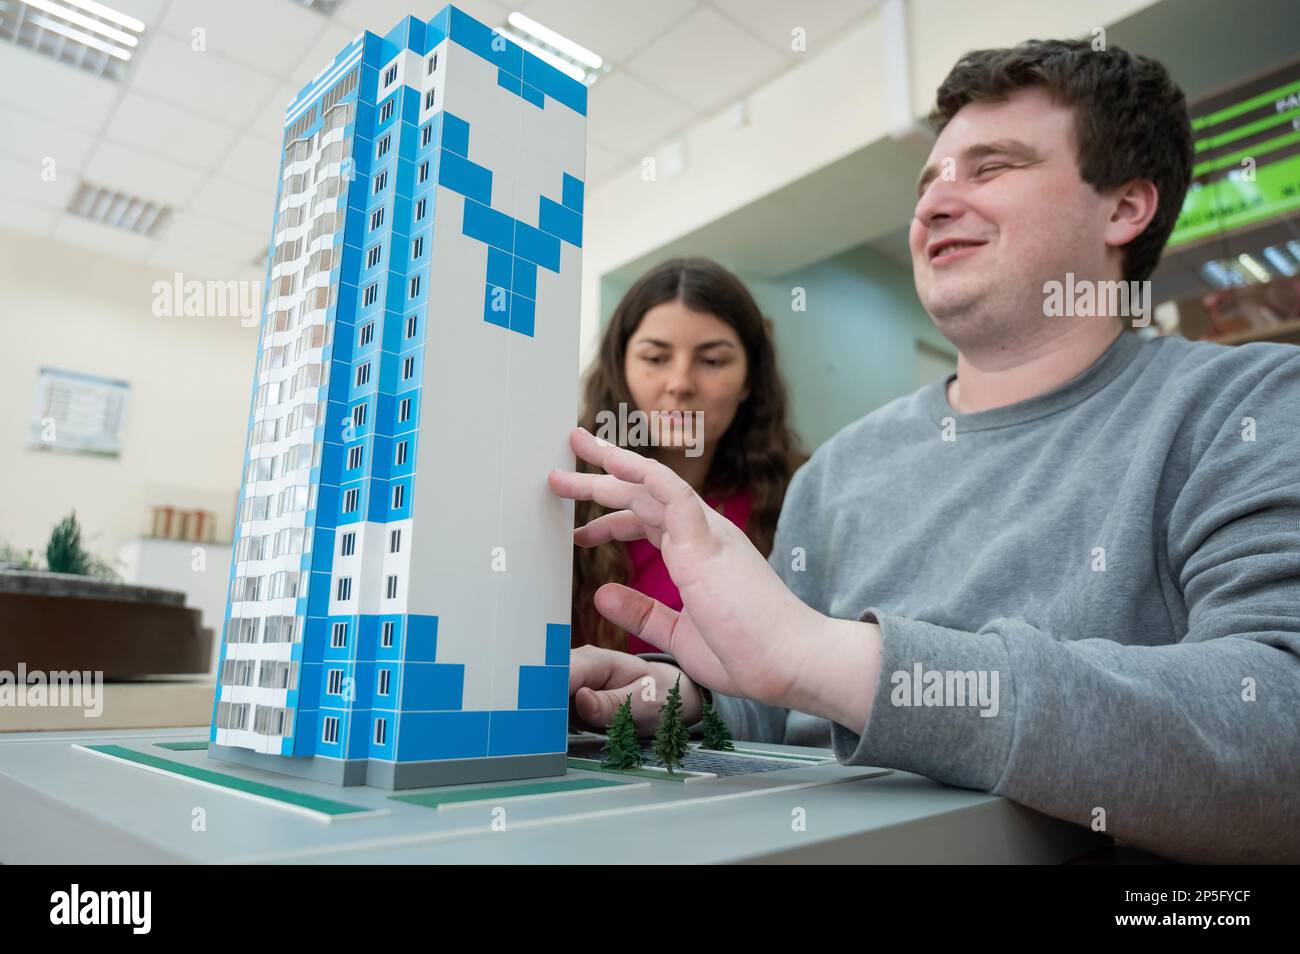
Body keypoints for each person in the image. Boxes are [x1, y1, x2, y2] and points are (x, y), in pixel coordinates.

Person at [549, 39, 1300, 864]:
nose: (935, 205)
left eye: (991, 168)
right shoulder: (836, 473)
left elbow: (1276, 732)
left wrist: (843, 659)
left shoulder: (1249, 406)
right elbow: (785, 710)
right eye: (929, 181)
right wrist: (686, 697)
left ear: (1124, 208)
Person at [569, 258, 799, 653]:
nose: (680, 384)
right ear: (620, 367)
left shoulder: (795, 497)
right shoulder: (565, 491)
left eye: (712, 361)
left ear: (749, 381)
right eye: (655, 358)